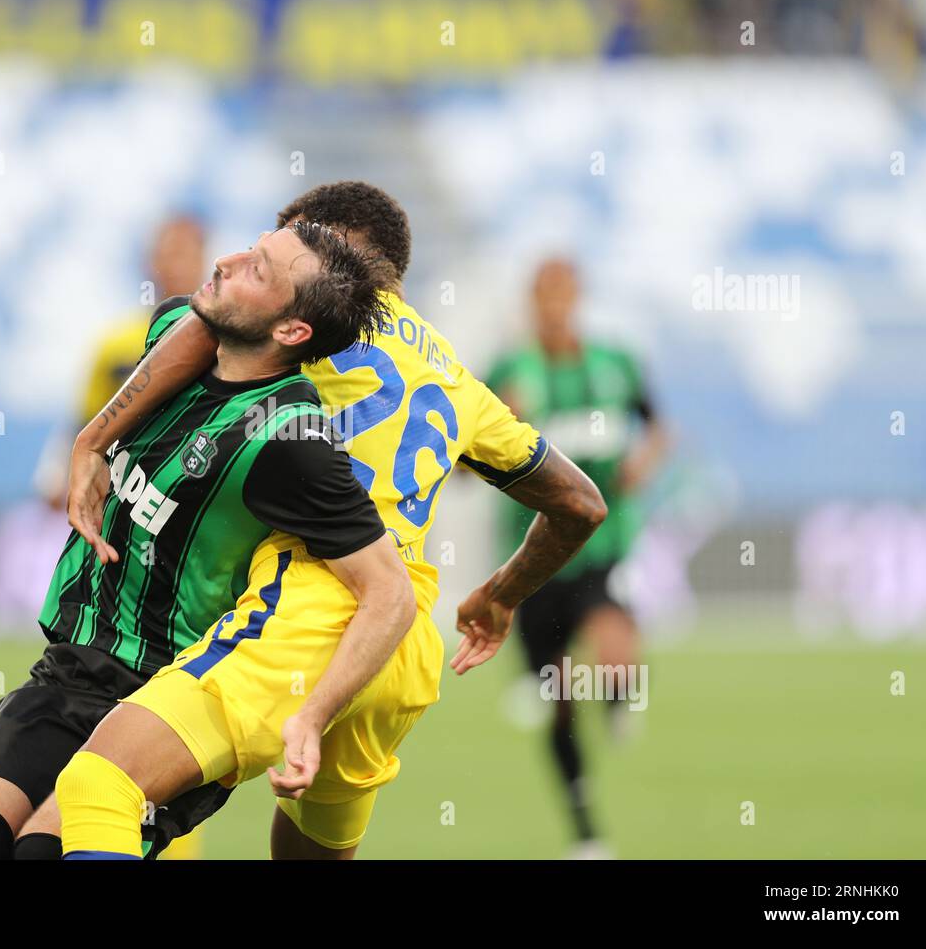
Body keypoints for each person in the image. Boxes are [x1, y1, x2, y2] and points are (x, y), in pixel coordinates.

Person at [58, 183, 607, 858]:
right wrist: (501, 595)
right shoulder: (455, 376)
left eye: (297, 247)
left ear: (339, 253)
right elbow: (580, 505)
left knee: (100, 782)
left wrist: (93, 438)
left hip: (318, 606)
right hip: (404, 648)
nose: (280, 263)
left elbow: (201, 324)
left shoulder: (312, 321)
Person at [0, 221, 400, 860]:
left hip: (168, 699)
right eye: (250, 249)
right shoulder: (170, 335)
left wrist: (313, 716)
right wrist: (91, 441)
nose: (230, 261)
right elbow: (189, 325)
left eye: (259, 271)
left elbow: (390, 595)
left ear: (292, 331)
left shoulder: (293, 441)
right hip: (75, 664)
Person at [482, 256, 668, 857]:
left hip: (603, 547)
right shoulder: (511, 371)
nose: (554, 305)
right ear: (532, 301)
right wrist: (498, 429)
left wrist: (645, 460)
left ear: (578, 297)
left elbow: (658, 426)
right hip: (535, 561)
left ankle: (618, 698)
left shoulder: (615, 363)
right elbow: (464, 456)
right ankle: (585, 826)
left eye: (563, 294)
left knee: (616, 650)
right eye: (544, 295)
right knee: (560, 700)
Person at [34, 216, 207, 510]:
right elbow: (86, 421)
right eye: (169, 254)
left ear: (204, 260)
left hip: (198, 491)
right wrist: (55, 476)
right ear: (151, 263)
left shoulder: (225, 340)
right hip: (130, 496)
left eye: (186, 254)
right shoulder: (116, 345)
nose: (177, 266)